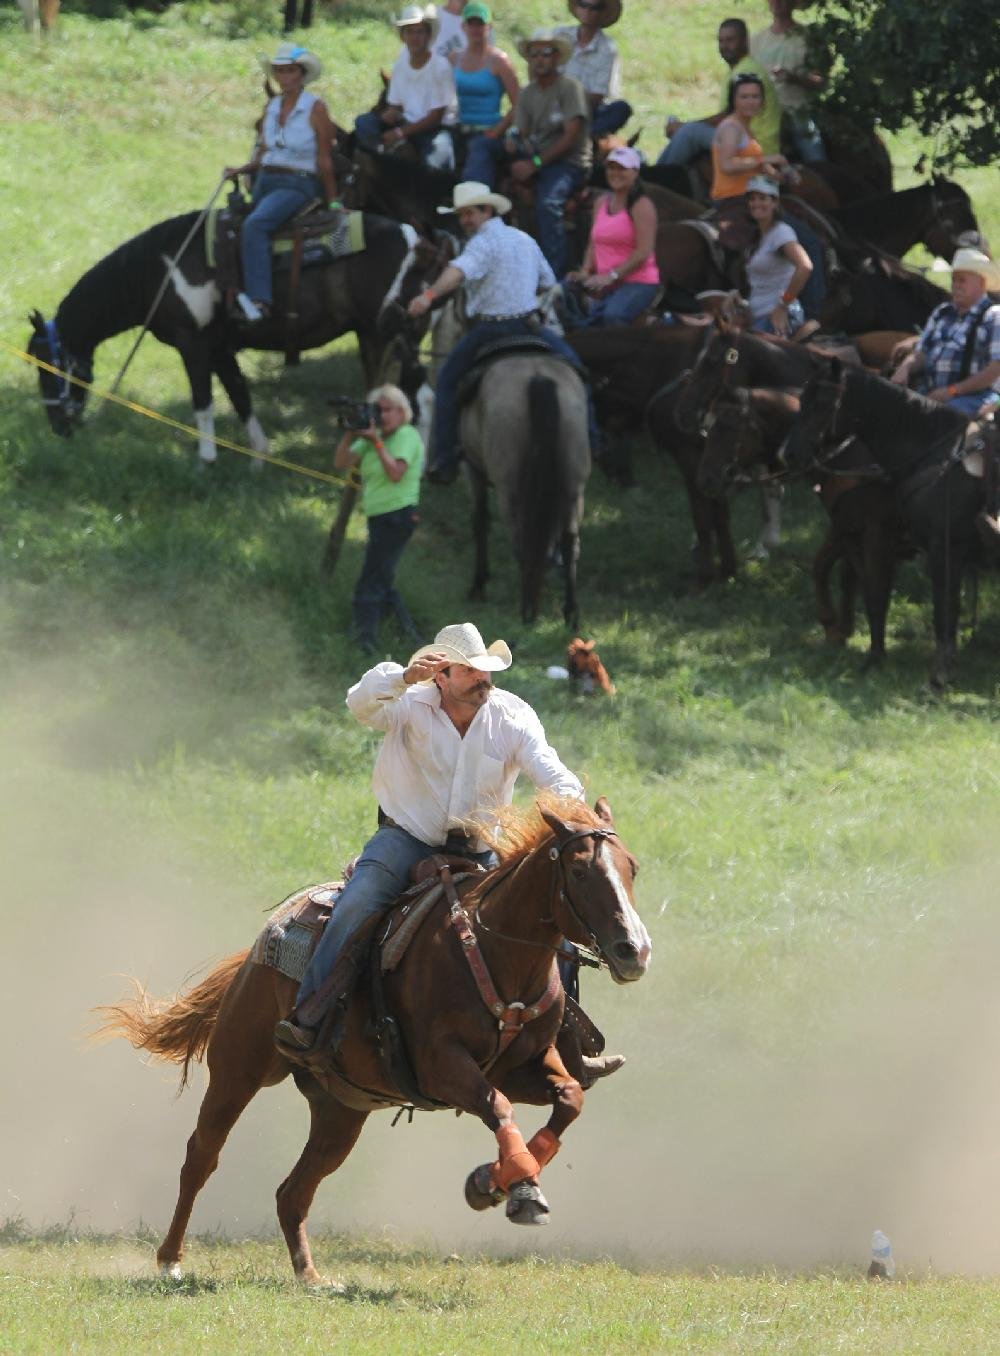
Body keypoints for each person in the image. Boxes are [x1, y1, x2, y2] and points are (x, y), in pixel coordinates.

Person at [274, 622, 625, 1083]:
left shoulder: (511, 716)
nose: (484, 679)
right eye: (471, 671)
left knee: (551, 920)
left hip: (481, 849)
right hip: (407, 838)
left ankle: (565, 1043)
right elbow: (358, 702)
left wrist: (573, 812)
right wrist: (402, 677)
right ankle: (311, 1015)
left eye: (487, 670)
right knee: (360, 901)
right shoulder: (408, 704)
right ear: (441, 675)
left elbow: (553, 773)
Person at [405, 180, 598, 485]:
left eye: (470, 213)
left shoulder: (481, 243)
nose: (465, 221)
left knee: (445, 383)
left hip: (489, 330)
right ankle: (591, 440)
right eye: (461, 215)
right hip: (530, 325)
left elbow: (457, 273)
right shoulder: (525, 240)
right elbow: (547, 283)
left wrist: (428, 297)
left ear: (487, 211)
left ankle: (445, 459)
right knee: (577, 371)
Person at [463, 26, 591, 278]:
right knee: (483, 145)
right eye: (534, 54)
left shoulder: (569, 88)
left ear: (556, 58)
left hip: (567, 161)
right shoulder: (528, 93)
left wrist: (533, 163)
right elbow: (520, 129)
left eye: (545, 53)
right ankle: (475, 202)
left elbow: (571, 137)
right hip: (535, 153)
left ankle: (554, 274)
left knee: (548, 203)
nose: (539, 59)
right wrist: (513, 139)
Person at [224, 43, 338, 323]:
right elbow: (264, 152)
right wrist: (241, 168)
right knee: (227, 226)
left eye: (290, 71)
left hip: (297, 183)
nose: (284, 77)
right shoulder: (272, 107)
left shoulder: (316, 108)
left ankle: (260, 301)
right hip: (265, 179)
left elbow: (324, 158)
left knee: (256, 225)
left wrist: (334, 200)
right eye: (280, 72)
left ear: (300, 74)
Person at [335, 385, 423, 655]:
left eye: (386, 410)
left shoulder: (406, 435)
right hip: (379, 517)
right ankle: (412, 637)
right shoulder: (371, 438)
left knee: (370, 581)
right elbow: (340, 461)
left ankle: (365, 641)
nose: (382, 415)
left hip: (398, 515)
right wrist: (351, 431)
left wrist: (377, 442)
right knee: (381, 577)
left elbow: (396, 472)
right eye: (377, 410)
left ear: (401, 411)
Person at [656, 18, 781, 172]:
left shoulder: (747, 71)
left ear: (745, 41)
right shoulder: (737, 71)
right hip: (737, 136)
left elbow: (730, 115)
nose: (724, 46)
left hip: (755, 143)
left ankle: (657, 176)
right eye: (721, 41)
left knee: (690, 133)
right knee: (689, 131)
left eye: (730, 40)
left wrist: (684, 126)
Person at [891, 248, 1000, 418]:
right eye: (953, 280)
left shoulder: (993, 317)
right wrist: (905, 368)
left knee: (940, 419)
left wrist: (952, 391)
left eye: (962, 280)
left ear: (982, 283)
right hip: (931, 392)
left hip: (974, 397)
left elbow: (994, 370)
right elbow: (922, 353)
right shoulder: (942, 313)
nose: (955, 285)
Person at [563, 145, 660, 327]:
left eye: (622, 168)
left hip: (637, 281)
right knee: (566, 299)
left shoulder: (642, 205)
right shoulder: (601, 202)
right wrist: (585, 271)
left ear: (635, 172)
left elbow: (643, 251)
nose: (615, 173)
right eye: (611, 168)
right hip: (605, 280)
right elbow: (594, 242)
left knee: (613, 315)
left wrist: (611, 276)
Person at [354, 5, 458, 172]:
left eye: (420, 32)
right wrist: (390, 114)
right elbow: (396, 104)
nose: (415, 37)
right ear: (402, 36)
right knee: (364, 122)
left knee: (438, 162)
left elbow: (435, 117)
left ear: (428, 35)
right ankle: (378, 158)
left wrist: (400, 133)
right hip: (407, 121)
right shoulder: (400, 66)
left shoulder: (440, 66)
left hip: (434, 129)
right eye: (410, 32)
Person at [750, 0, 825, 164]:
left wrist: (794, 78)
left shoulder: (807, 38)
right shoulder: (756, 41)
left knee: (814, 153)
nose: (777, 2)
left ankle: (822, 173)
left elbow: (820, 81)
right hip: (762, 113)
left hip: (795, 112)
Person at [451, 1, 519, 177]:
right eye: (471, 24)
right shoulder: (454, 58)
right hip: (458, 126)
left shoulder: (499, 61)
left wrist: (498, 130)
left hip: (488, 129)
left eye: (480, 24)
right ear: (463, 26)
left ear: (489, 27)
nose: (475, 29)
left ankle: (475, 198)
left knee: (479, 150)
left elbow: (519, 104)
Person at [743, 175, 813, 337]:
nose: (756, 204)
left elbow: (805, 266)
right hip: (757, 316)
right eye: (752, 199)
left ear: (775, 203)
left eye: (763, 198)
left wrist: (783, 306)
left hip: (776, 319)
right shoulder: (758, 237)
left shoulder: (781, 232)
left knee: (737, 358)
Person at [554, 0, 631, 139]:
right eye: (583, 5)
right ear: (577, 8)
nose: (588, 11)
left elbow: (598, 95)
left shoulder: (607, 49)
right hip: (552, 103)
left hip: (587, 110)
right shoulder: (559, 36)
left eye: (595, 8)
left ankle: (584, 139)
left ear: (603, 13)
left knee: (621, 108)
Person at [711, 73, 789, 204]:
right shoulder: (731, 128)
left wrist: (780, 175)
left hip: (752, 197)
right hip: (732, 199)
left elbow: (754, 164)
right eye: (744, 97)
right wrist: (768, 158)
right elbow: (727, 165)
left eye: (755, 97)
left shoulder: (745, 126)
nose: (750, 102)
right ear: (733, 100)